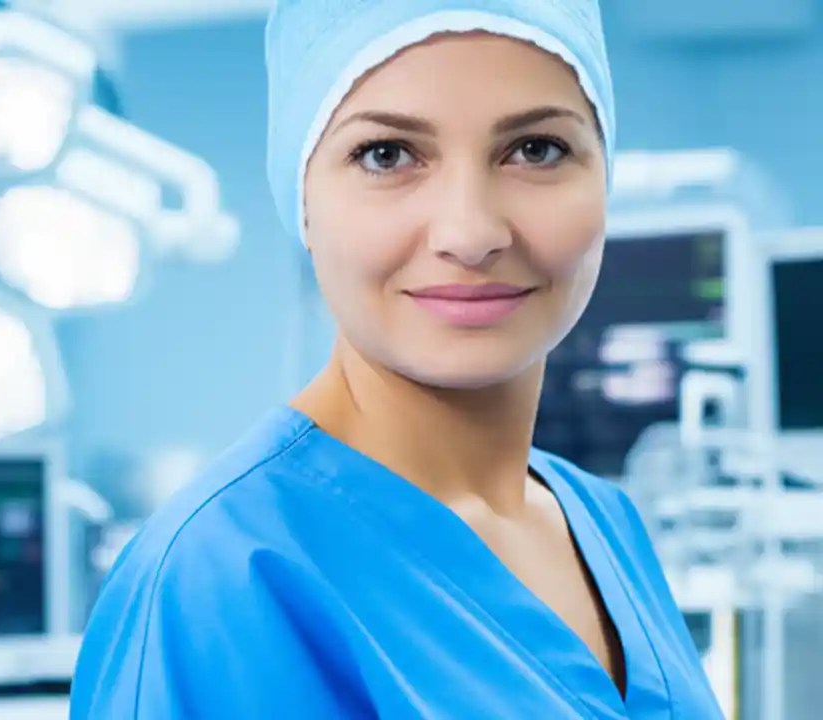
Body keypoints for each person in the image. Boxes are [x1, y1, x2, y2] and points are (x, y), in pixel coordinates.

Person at [71, 0, 724, 717]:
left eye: (536, 149)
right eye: (387, 154)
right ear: (302, 200)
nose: (470, 233)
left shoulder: (605, 523)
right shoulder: (222, 578)